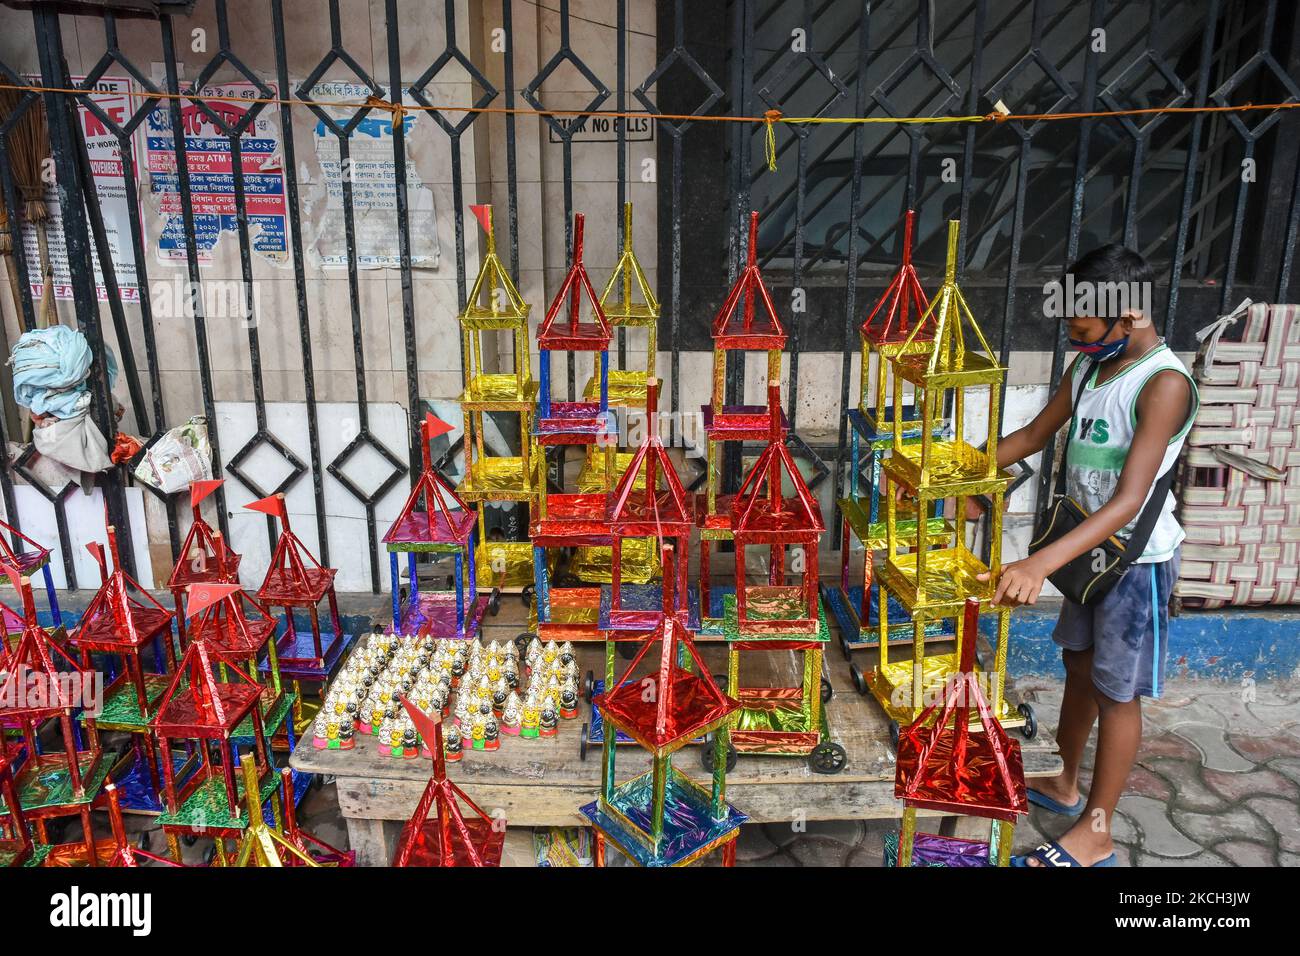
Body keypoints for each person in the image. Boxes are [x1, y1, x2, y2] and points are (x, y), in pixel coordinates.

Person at [974, 245, 1197, 868]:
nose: (1076, 342)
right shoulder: (1088, 371)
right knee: (1079, 665)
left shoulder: (1164, 384)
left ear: (1127, 317)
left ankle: (1098, 830)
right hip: (1087, 555)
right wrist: (950, 472)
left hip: (1135, 563)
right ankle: (1064, 782)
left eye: (1084, 330)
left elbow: (1130, 500)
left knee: (1116, 693)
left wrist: (1037, 563)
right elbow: (1029, 437)